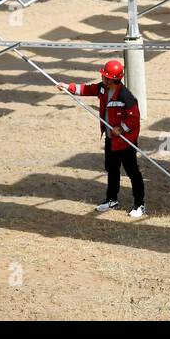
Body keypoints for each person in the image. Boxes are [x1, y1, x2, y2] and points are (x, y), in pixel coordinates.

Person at [60, 59, 145, 219]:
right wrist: (68, 87)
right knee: (111, 169)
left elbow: (134, 119)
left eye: (105, 76)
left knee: (132, 172)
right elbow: (87, 89)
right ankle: (112, 199)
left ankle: (139, 204)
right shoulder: (102, 88)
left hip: (125, 142)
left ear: (113, 79)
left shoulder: (126, 97)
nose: (102, 78)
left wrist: (121, 128)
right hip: (110, 139)